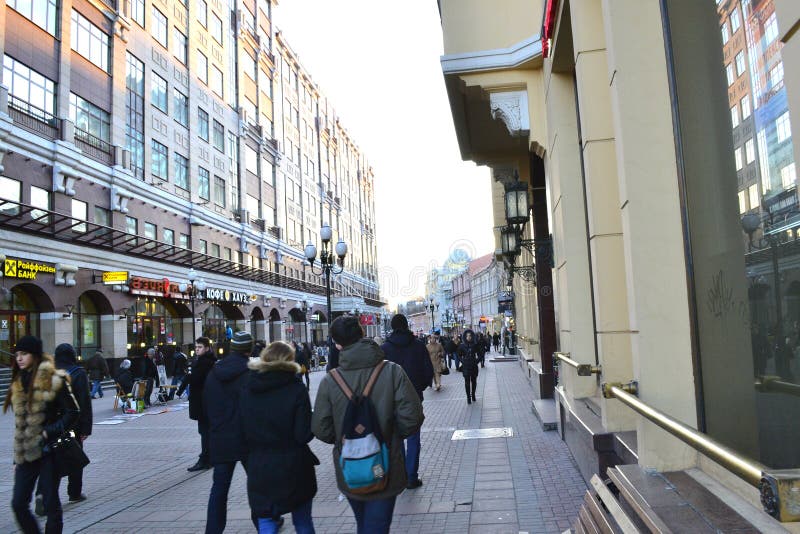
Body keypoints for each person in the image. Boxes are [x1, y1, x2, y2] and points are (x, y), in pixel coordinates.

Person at [312, 316, 423, 534]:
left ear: (337, 344)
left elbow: (320, 428)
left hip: (350, 467)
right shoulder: (392, 371)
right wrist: (390, 438)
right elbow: (412, 416)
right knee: (377, 526)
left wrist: (346, 438)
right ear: (363, 333)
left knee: (364, 523)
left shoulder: (330, 380)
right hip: (386, 465)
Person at [239, 341, 318, 533]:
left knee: (266, 519)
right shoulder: (296, 388)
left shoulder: (248, 388)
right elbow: (303, 434)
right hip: (294, 464)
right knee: (302, 521)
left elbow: (241, 429)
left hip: (260, 465)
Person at [5, 335, 80, 534]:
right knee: (18, 503)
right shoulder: (18, 382)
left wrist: (48, 431)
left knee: (50, 503)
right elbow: (21, 426)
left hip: (50, 451)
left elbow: (73, 412)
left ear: (35, 355)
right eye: (17, 354)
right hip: (27, 453)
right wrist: (16, 458)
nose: (19, 358)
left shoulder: (54, 380)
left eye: (24, 354)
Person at [204, 331, 253, 534]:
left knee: (219, 489)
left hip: (220, 437)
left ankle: (213, 530)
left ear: (232, 348)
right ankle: (268, 521)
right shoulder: (251, 373)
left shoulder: (214, 373)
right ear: (249, 350)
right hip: (247, 439)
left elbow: (206, 404)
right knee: (258, 483)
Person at [380, 314, 433, 490]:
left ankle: (401, 475)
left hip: (392, 400)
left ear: (392, 326)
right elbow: (428, 371)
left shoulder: (385, 348)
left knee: (396, 438)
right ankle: (412, 476)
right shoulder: (418, 345)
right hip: (414, 397)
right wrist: (420, 387)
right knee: (413, 437)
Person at [52, 344, 92, 504]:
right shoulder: (78, 373)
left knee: (51, 459)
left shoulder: (48, 373)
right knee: (75, 456)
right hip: (72, 424)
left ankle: (44, 494)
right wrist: (85, 428)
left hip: (51, 424)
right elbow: (84, 402)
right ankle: (74, 492)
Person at [183, 337, 216, 472]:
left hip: (203, 402)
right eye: (196, 347)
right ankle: (208, 458)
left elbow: (196, 380)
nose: (197, 349)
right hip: (203, 401)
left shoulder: (205, 363)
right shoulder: (202, 361)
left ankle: (205, 459)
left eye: (200, 347)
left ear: (207, 348)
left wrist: (190, 375)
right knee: (205, 431)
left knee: (205, 431)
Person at [458, 329, 481, 404]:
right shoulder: (462, 346)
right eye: (467, 336)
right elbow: (458, 355)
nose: (469, 337)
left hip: (473, 365)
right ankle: (468, 397)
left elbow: (480, 354)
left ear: (472, 336)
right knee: (467, 382)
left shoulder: (475, 344)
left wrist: (477, 361)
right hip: (466, 366)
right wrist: (462, 361)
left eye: (470, 336)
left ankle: (473, 394)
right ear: (465, 337)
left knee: (474, 381)